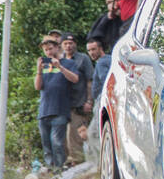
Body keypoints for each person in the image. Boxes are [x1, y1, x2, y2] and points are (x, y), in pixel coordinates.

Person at [33, 34, 79, 171]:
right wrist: (38, 71)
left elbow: (75, 79)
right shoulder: (44, 65)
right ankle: (51, 168)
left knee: (57, 142)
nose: (48, 52)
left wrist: (60, 67)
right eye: (46, 50)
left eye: (50, 49)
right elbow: (37, 87)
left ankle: (59, 168)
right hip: (44, 110)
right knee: (46, 143)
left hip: (60, 109)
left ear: (58, 47)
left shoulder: (68, 63)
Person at [60, 33, 93, 164]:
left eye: (70, 43)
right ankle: (66, 165)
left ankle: (79, 164)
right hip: (62, 106)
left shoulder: (82, 59)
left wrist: (89, 101)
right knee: (62, 138)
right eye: (65, 44)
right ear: (61, 45)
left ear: (75, 44)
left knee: (77, 136)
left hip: (79, 105)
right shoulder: (58, 60)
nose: (68, 46)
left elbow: (90, 81)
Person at [86, 37, 111, 107]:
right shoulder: (110, 58)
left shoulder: (101, 63)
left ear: (100, 48)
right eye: (89, 50)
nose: (91, 53)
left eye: (93, 49)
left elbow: (106, 82)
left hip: (103, 99)